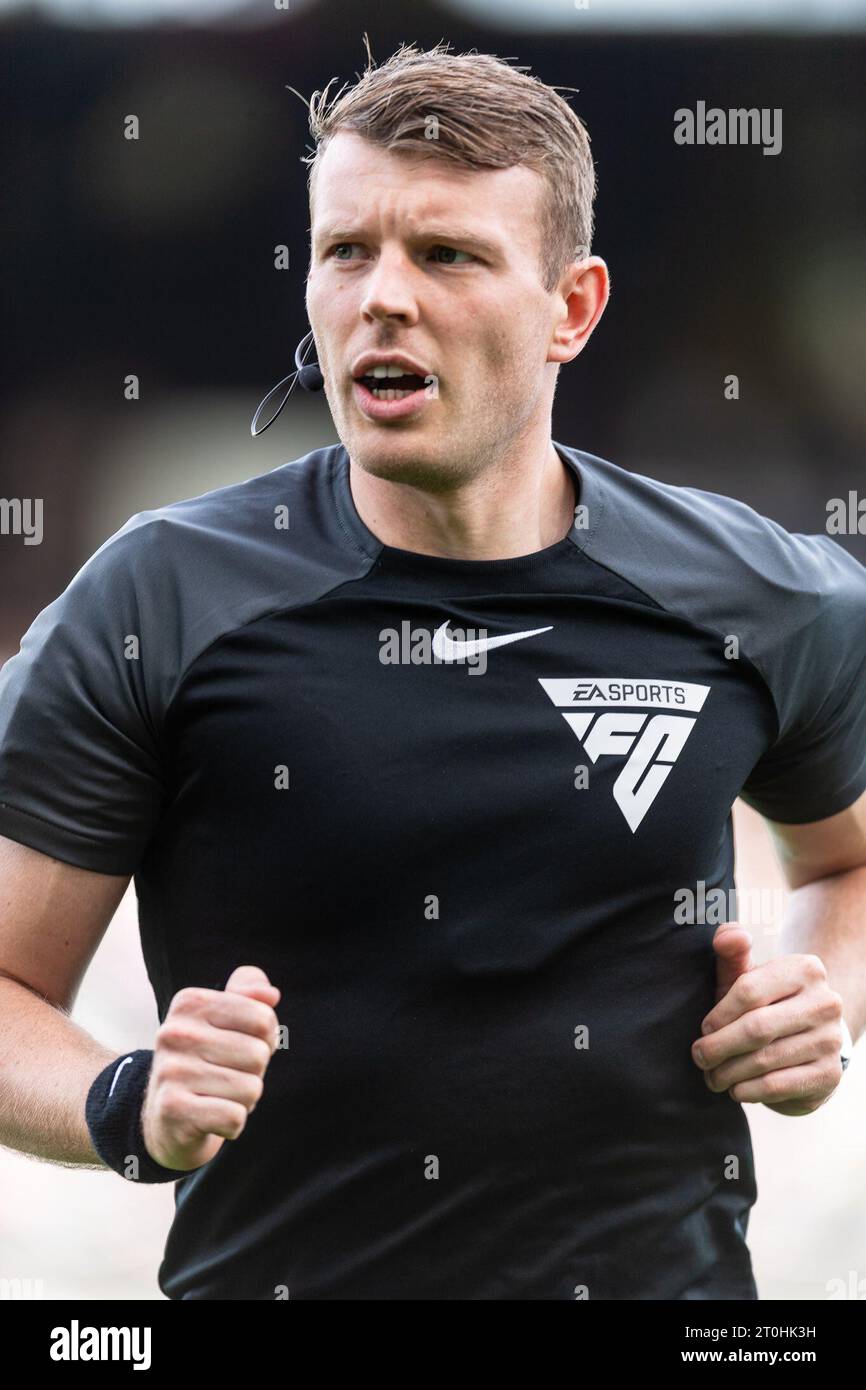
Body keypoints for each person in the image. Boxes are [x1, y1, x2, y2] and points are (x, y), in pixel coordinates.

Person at [1, 41, 864, 1302]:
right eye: (346, 250)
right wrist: (124, 1101)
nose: (380, 297)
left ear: (570, 307)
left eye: (446, 255)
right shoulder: (159, 598)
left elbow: (846, 862)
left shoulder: (767, 595)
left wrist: (816, 1000)